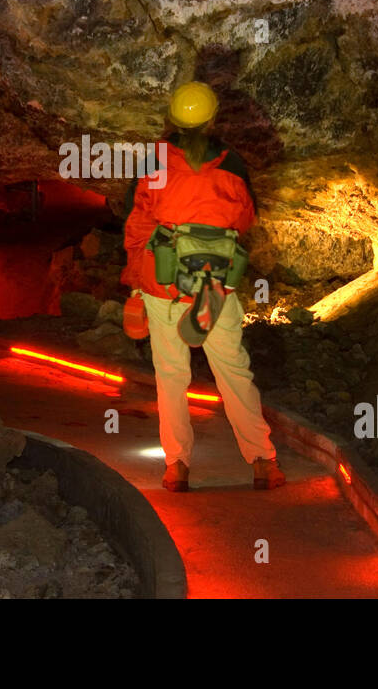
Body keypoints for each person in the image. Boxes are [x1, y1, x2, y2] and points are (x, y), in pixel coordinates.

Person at [122, 81, 286, 492]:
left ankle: (176, 465)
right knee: (233, 370)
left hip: (164, 284)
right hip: (214, 285)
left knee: (171, 375)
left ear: (171, 119)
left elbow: (138, 227)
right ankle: (264, 461)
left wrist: (134, 286)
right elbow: (244, 219)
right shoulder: (232, 166)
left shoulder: (154, 164)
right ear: (214, 120)